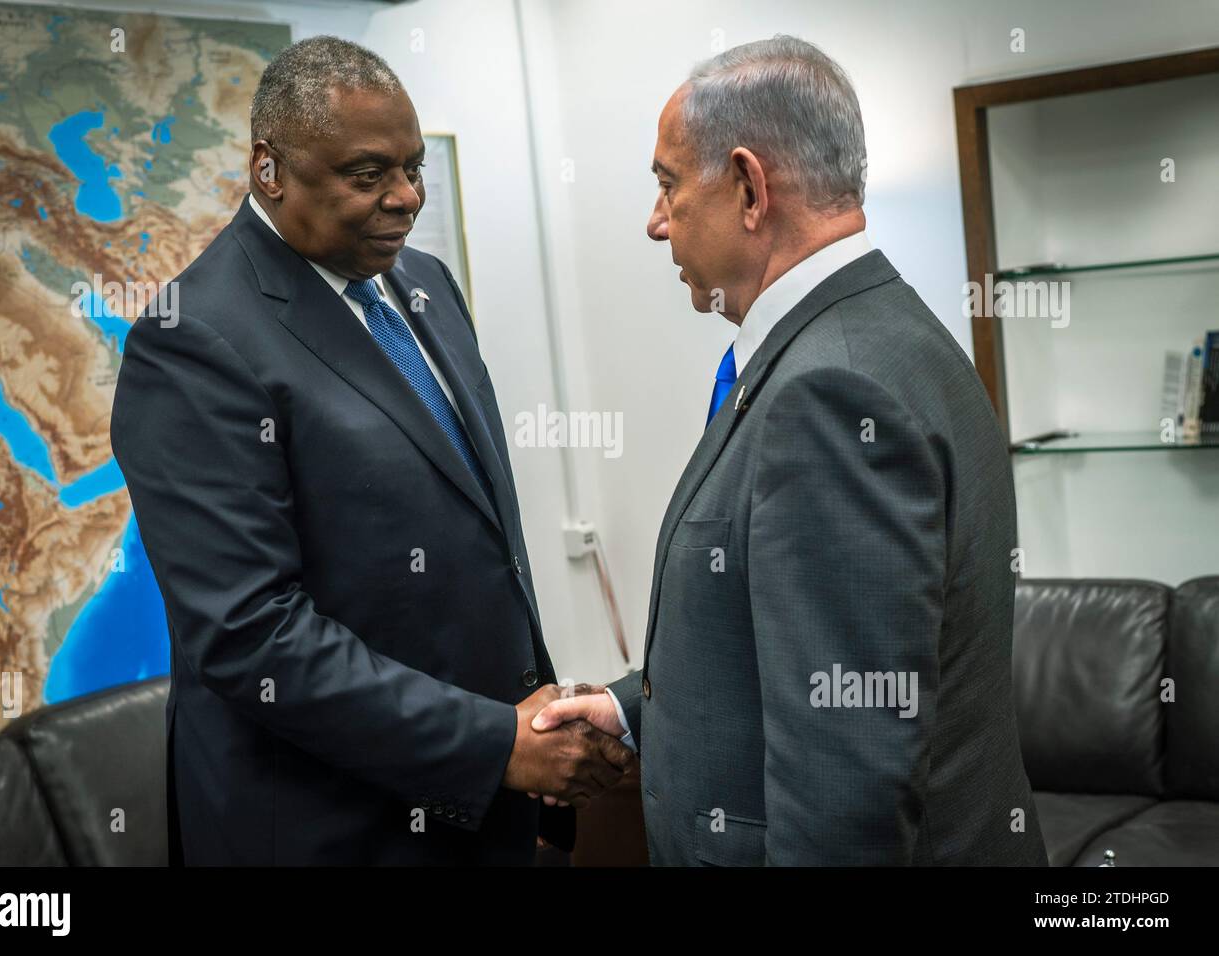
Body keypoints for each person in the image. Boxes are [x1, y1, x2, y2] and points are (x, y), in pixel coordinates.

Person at [111, 35, 631, 866]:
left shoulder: (423, 284)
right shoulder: (194, 340)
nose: (406, 198)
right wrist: (492, 744)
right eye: (368, 176)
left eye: (414, 168)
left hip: (483, 801)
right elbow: (251, 633)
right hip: (330, 829)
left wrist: (524, 733)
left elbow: (479, 542)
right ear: (268, 169)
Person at [534, 35, 1048, 866]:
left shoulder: (831, 393)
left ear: (748, 186)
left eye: (667, 185)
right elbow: (789, 639)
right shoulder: (887, 332)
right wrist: (635, 706)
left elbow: (848, 789)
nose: (656, 221)